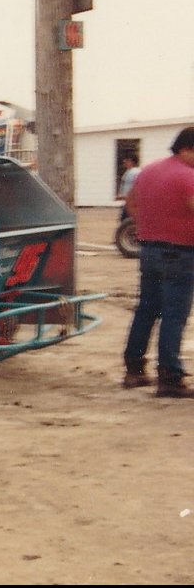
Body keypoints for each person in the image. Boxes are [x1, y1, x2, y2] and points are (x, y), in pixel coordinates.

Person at [120, 127, 194, 396]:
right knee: (174, 315)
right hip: (180, 254)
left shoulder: (148, 171)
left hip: (149, 250)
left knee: (147, 309)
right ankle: (170, 377)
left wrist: (149, 226)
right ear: (187, 149)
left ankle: (134, 369)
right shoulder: (188, 177)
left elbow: (130, 203)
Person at [117, 155, 141, 222]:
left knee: (125, 220)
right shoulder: (131, 171)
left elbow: (132, 187)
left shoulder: (133, 172)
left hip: (131, 201)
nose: (124, 161)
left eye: (127, 160)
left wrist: (123, 196)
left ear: (131, 162)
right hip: (130, 200)